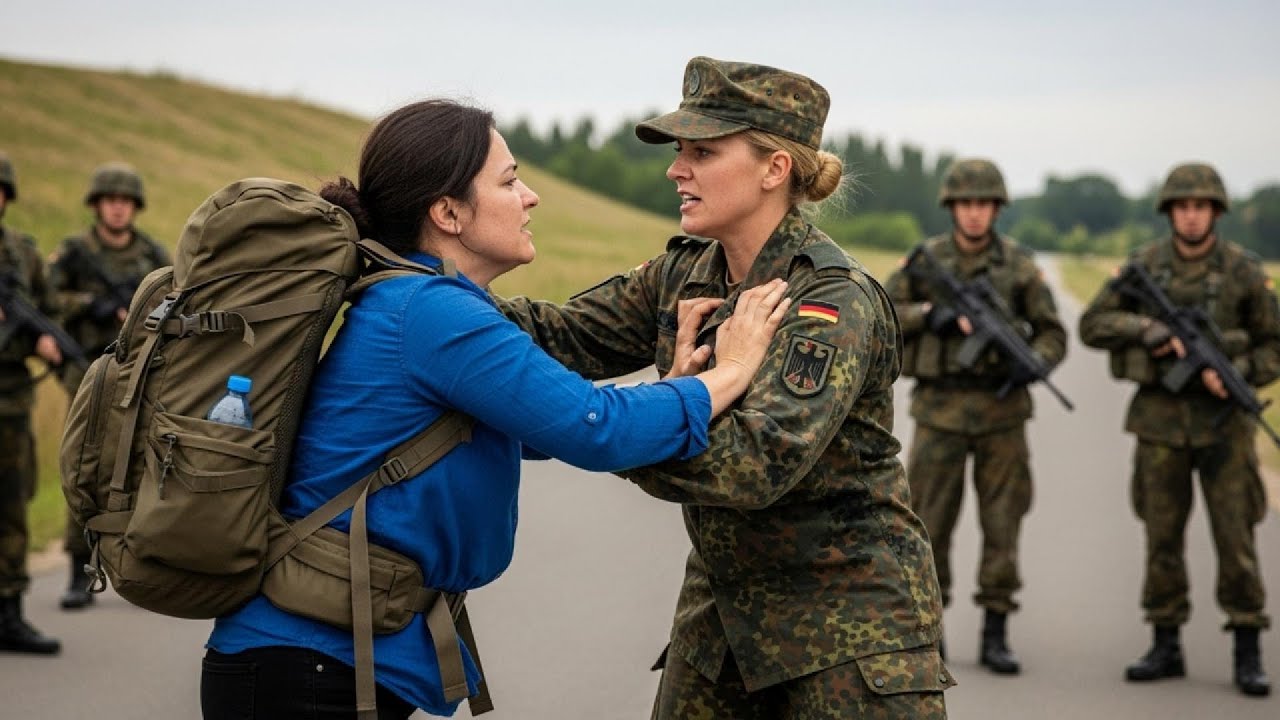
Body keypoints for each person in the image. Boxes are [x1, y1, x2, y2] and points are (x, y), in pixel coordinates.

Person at [202, 99, 789, 719]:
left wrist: (675, 383)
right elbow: (596, 430)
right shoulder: (432, 312)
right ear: (448, 212)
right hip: (308, 666)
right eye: (509, 181)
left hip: (323, 659)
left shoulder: (427, 303)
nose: (530, 197)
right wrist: (734, 369)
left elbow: (544, 426)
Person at [499, 57, 952, 718]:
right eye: (679, 152)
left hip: (848, 631)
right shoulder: (685, 274)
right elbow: (560, 336)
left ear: (775, 169)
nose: (675, 170)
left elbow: (753, 464)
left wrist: (633, 420)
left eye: (703, 152)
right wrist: (431, 285)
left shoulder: (830, 301)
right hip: (723, 622)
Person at [1079, 162, 1275, 697]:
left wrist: (1236, 372)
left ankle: (1247, 646)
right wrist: (1148, 329)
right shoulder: (1144, 267)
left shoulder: (1243, 271)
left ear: (1216, 211)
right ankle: (1165, 642)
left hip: (1225, 429)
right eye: (1183, 207)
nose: (1192, 216)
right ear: (1170, 212)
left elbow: (1272, 343)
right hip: (1160, 426)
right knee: (1161, 538)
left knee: (1236, 540)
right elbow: (1093, 324)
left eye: (1201, 207)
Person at [883, 158, 1067, 675]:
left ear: (996, 209)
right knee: (927, 526)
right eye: (966, 203)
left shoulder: (1021, 267)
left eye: (984, 204)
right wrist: (930, 316)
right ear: (952, 207)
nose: (974, 213)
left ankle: (996, 631)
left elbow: (1053, 331)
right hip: (939, 410)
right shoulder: (926, 261)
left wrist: (1036, 365)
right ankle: (926, 633)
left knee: (1002, 524)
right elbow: (881, 309)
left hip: (1002, 412)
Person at [48, 161, 171, 610]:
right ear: (98, 205)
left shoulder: (151, 256)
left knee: (141, 464)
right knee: (84, 466)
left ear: (133, 207)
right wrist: (91, 305)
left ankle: (136, 564)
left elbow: (174, 299)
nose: (117, 210)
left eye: (124, 202)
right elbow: (46, 298)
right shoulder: (75, 251)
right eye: (110, 201)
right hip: (85, 374)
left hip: (137, 374)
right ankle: (79, 568)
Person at [0, 151, 63, 655]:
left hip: (11, 401)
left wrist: (39, 339)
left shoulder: (21, 253)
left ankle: (10, 613)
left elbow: (49, 309)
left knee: (12, 506)